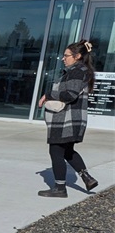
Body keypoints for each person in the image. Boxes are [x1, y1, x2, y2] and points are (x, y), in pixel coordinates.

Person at [37, 39, 99, 198]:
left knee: (56, 151)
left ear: (77, 56)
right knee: (68, 151)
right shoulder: (79, 71)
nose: (63, 58)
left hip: (67, 119)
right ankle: (87, 177)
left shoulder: (77, 71)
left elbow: (69, 95)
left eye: (66, 56)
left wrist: (48, 94)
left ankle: (59, 188)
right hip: (71, 119)